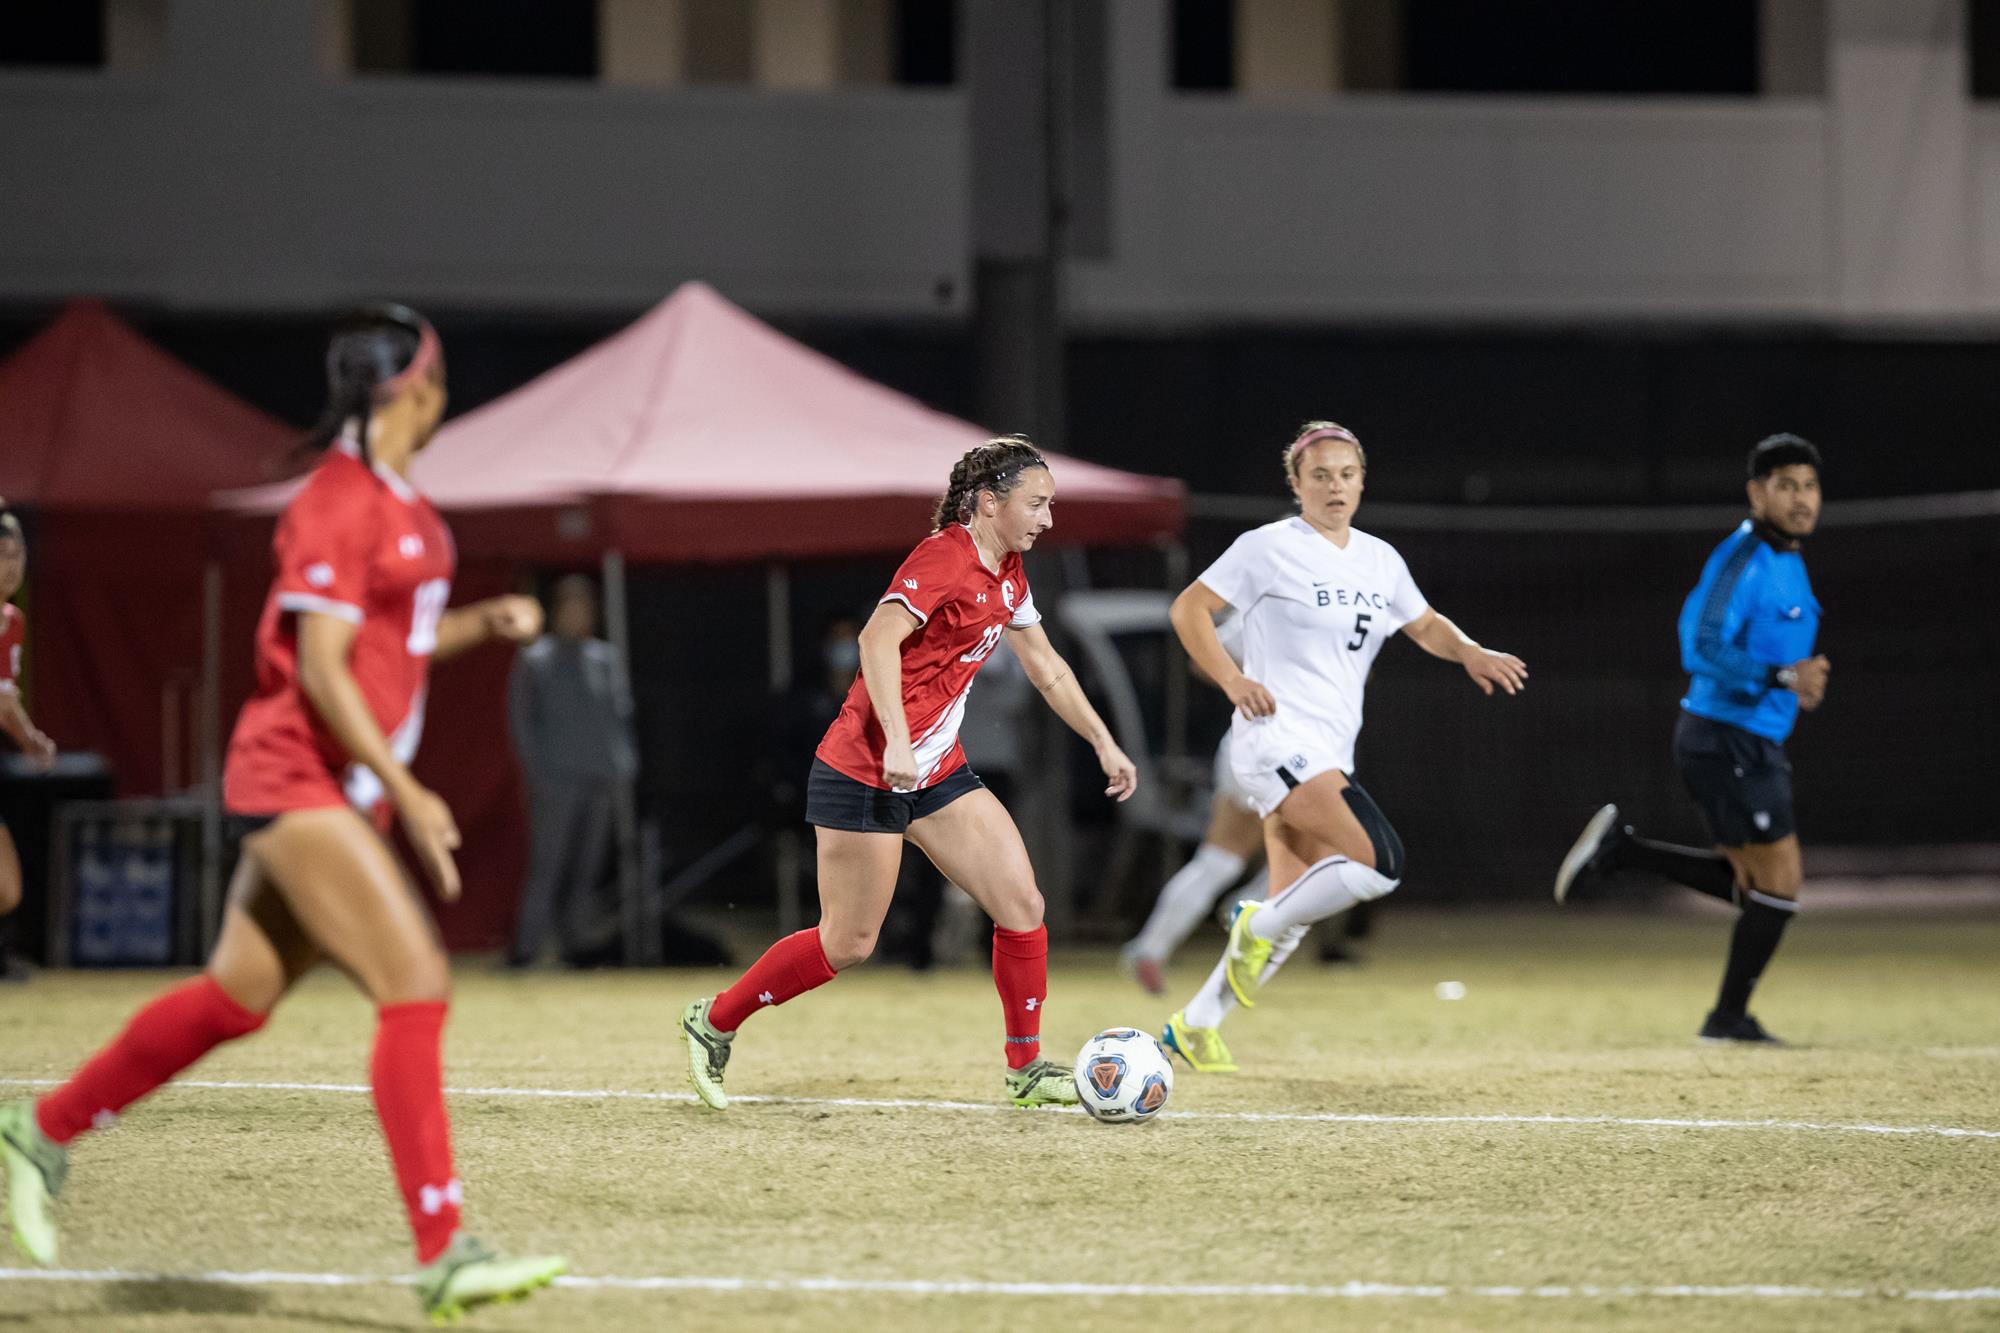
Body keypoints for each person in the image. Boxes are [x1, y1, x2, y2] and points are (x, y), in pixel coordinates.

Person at [0, 306, 566, 1320]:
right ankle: (443, 1248)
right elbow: (317, 669)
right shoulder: (336, 503)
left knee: (234, 999)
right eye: (439, 382)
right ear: (413, 392)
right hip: (292, 773)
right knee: (416, 981)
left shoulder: (396, 501)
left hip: (334, 784)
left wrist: (481, 623)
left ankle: (41, 1128)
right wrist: (405, 789)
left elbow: (384, 649)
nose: (446, 400)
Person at [679, 436, 1139, 1109]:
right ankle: (715, 1019)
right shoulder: (945, 557)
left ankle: (1026, 1068)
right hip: (866, 768)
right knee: (848, 942)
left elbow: (1047, 666)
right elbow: (874, 639)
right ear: (989, 501)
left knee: (1022, 906)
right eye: (1037, 504)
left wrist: (1104, 740)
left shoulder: (1008, 569)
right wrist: (896, 740)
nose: (1047, 518)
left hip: (936, 771)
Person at [1160, 422, 1526, 1073]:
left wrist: (1468, 649)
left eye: (1346, 474)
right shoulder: (1268, 546)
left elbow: (1424, 624)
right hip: (1275, 740)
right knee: (1380, 860)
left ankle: (1194, 1024)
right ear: (1296, 483)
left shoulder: (1379, 559)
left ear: (1362, 481)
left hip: (1328, 749)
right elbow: (1189, 609)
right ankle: (1254, 923)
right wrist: (1233, 677)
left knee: (1296, 903)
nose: (1335, 486)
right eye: (1320, 474)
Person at [1555, 434, 1827, 1046]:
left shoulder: (1788, 557)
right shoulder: (1742, 558)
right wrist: (1784, 676)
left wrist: (1799, 680)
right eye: (1786, 486)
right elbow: (1698, 646)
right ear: (1758, 493)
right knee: (1778, 885)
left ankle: (1622, 854)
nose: (1801, 498)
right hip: (1724, 739)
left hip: (1751, 740)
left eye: (1809, 486)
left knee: (1761, 888)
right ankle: (1725, 1019)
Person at [1119, 612, 1269, 995]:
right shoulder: (1291, 602)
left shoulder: (1264, 602)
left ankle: (1150, 948)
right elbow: (1202, 657)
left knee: (1222, 858)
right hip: (1284, 746)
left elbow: (1203, 657)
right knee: (1331, 855)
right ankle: (1248, 910)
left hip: (1247, 741)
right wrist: (1245, 684)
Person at [506, 574, 638, 968]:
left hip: (600, 777)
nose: (577, 615)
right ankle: (526, 949)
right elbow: (521, 721)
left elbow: (620, 714)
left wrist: (623, 765)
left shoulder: (605, 659)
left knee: (588, 868)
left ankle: (576, 946)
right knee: (548, 864)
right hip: (556, 780)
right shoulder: (535, 660)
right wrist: (536, 773)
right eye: (570, 607)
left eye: (584, 608)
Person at [0, 504, 58, 980]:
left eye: (17, 556)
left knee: (7, 889)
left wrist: (31, 739)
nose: (11, 567)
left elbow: (3, 698)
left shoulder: (11, 621)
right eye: (1, 556)